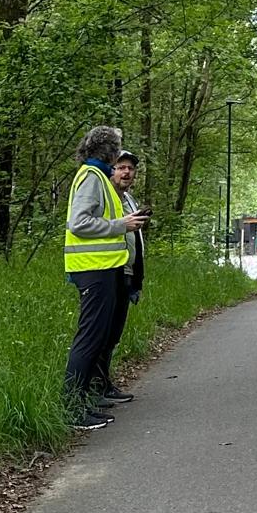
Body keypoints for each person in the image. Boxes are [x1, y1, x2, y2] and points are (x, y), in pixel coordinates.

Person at [63, 126, 148, 430]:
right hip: (93, 269)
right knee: (89, 340)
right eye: (117, 151)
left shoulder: (99, 177)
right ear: (109, 150)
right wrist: (119, 225)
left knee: (98, 338)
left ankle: (83, 401)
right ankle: (71, 410)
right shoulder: (92, 177)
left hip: (103, 268)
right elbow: (78, 222)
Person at [96, 148, 146, 406]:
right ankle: (94, 389)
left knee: (114, 333)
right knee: (101, 333)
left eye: (131, 168)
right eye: (121, 167)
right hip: (107, 271)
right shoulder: (104, 196)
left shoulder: (129, 200)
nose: (126, 172)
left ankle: (104, 384)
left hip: (127, 272)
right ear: (111, 170)